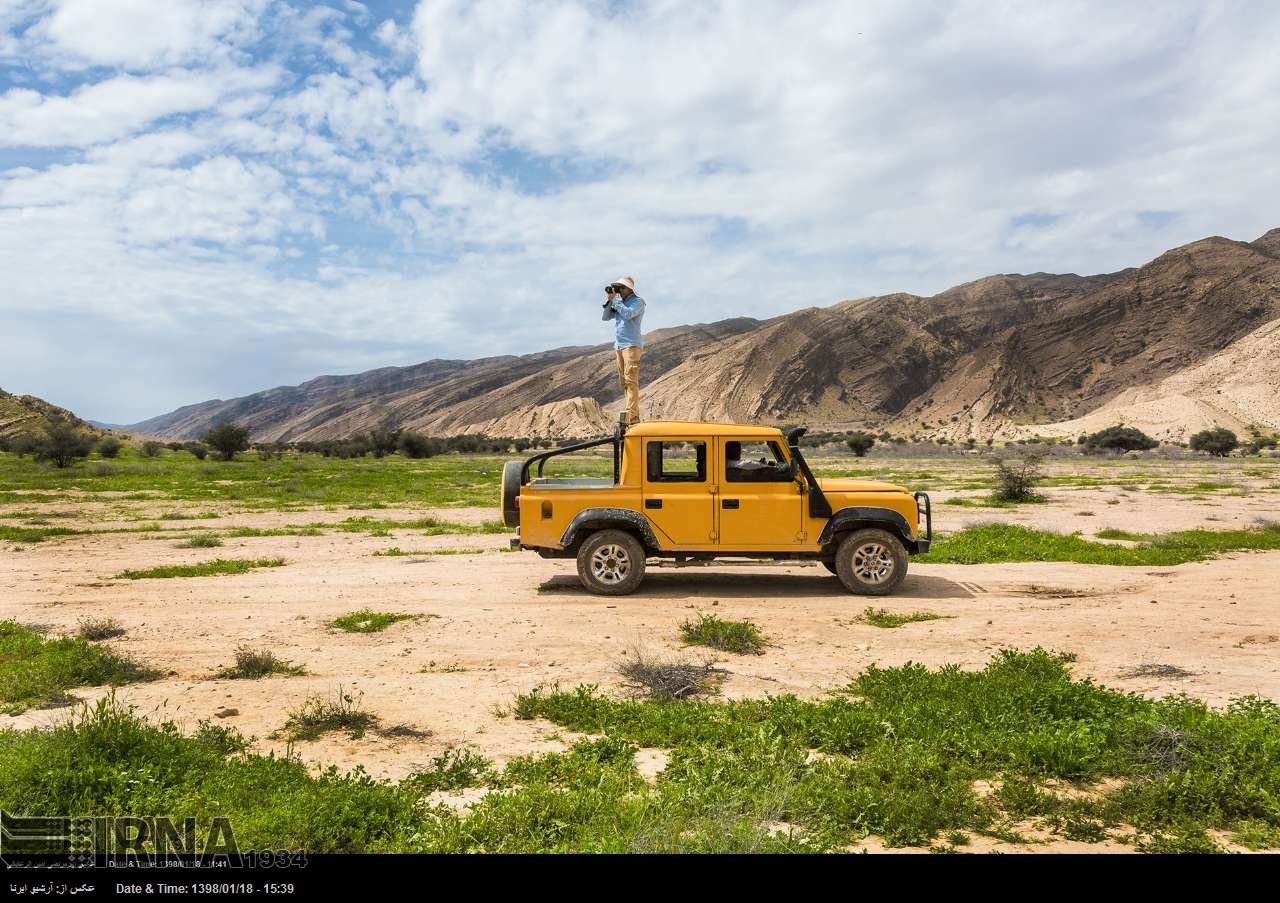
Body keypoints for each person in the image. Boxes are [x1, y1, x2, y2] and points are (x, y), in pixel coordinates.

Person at [601, 275, 646, 424]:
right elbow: (605, 317)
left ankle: (631, 416)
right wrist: (610, 301)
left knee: (631, 380)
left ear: (629, 289)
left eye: (621, 288)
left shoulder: (638, 302)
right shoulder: (619, 302)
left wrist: (616, 301)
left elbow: (628, 314)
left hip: (631, 346)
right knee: (625, 382)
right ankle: (634, 416)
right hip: (619, 346)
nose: (619, 290)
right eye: (617, 288)